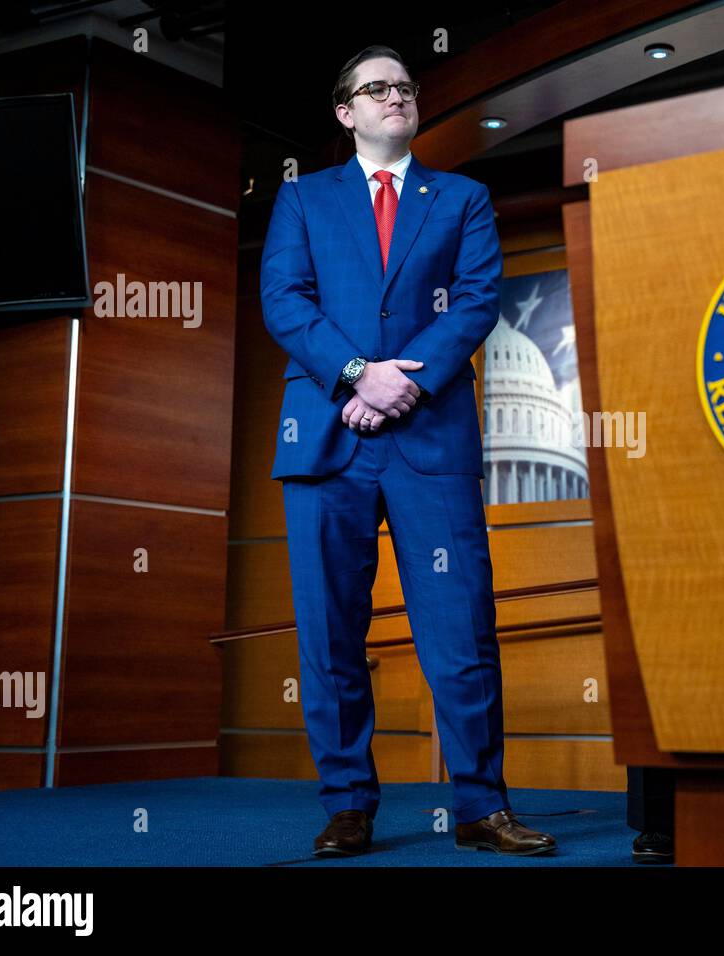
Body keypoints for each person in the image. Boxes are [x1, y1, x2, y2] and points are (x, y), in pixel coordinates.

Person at [259, 44, 556, 857]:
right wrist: (357, 375)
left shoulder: (461, 196)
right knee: (329, 636)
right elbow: (284, 301)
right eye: (375, 88)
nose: (395, 96)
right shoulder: (302, 199)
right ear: (345, 112)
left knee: (460, 628)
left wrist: (401, 386)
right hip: (327, 441)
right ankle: (349, 804)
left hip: (429, 438)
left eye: (404, 86)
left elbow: (474, 303)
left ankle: (480, 807)